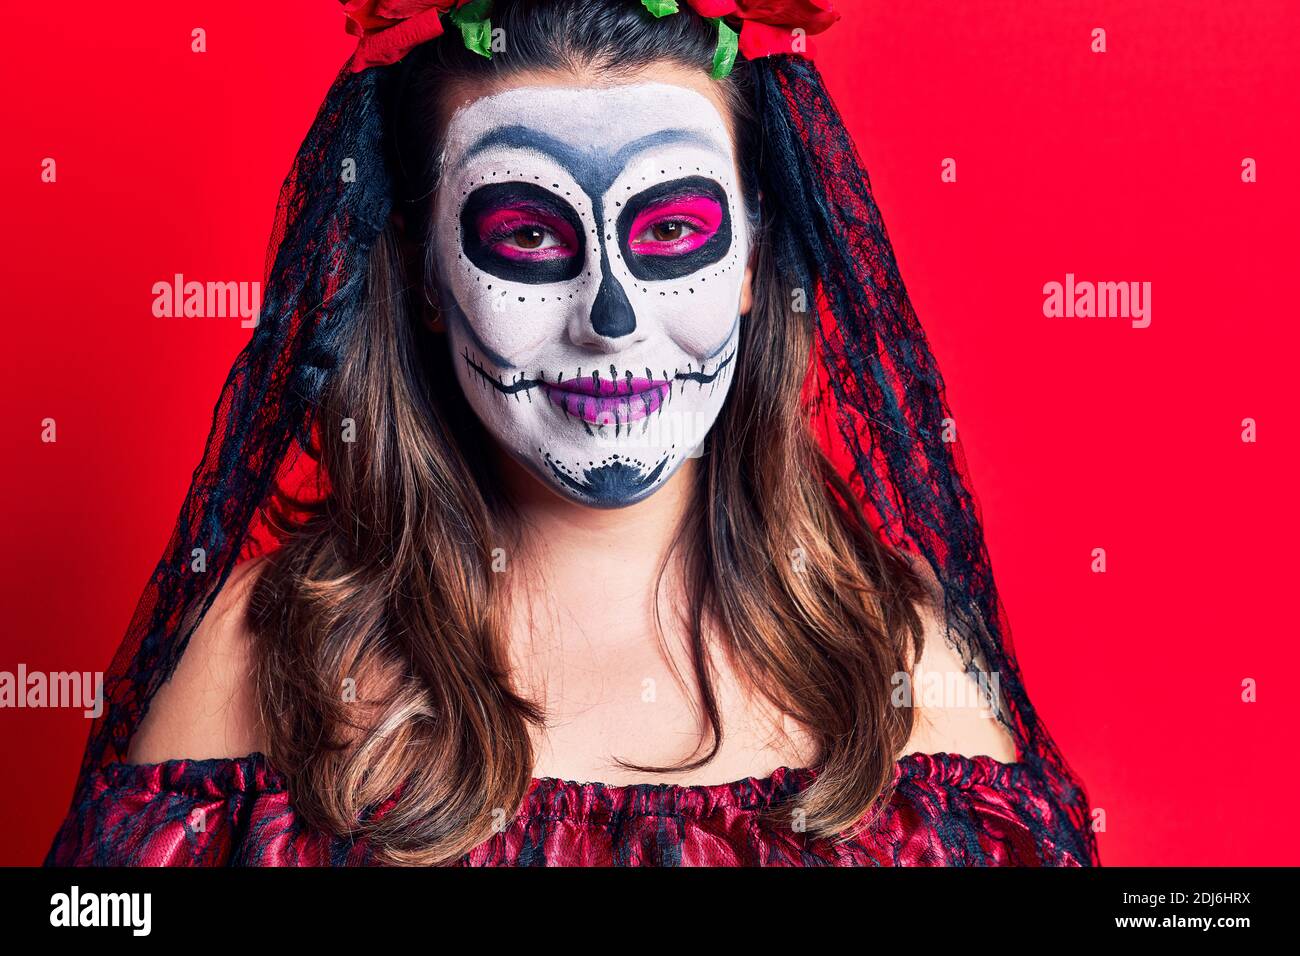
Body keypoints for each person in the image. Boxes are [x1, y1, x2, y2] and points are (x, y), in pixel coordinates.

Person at [46, 0, 1098, 866]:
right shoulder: (264, 653)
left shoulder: (899, 662)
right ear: (421, 269)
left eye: (672, 229)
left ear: (747, 261)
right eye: (529, 233)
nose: (611, 316)